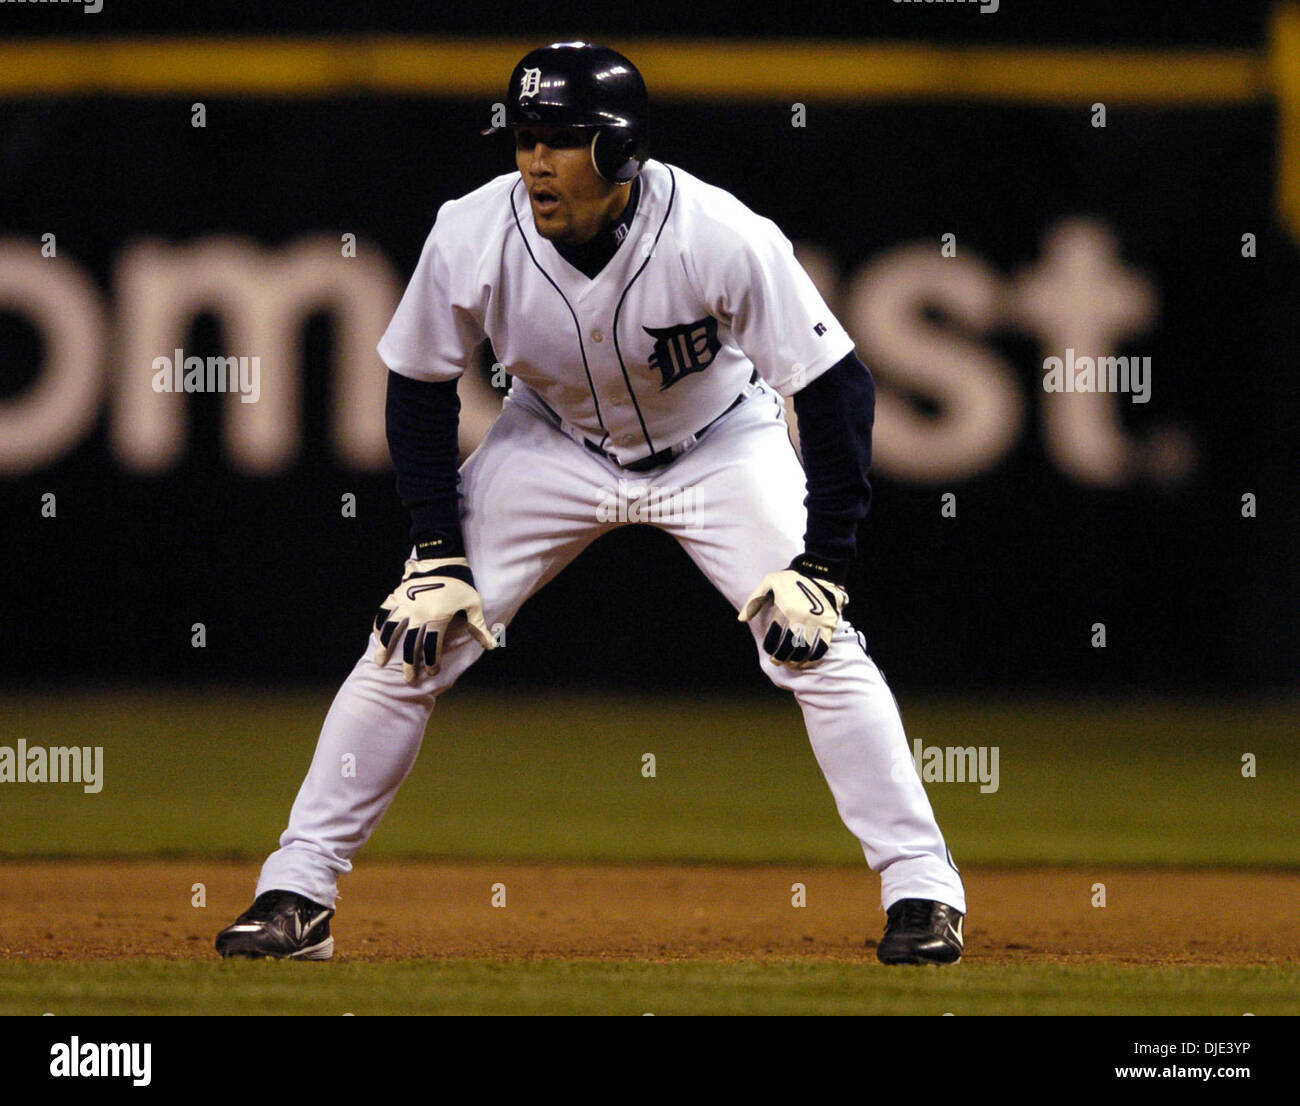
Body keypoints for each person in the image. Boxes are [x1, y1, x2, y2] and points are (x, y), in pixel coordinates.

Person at [216, 41, 966, 966]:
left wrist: (827, 562)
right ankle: (298, 894)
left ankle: (924, 892)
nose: (535, 159)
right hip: (552, 443)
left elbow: (835, 385)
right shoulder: (472, 229)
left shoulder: (719, 232)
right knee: (410, 635)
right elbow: (417, 386)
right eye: (525, 136)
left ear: (620, 150)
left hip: (719, 442)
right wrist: (433, 547)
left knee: (808, 638)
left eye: (563, 139)